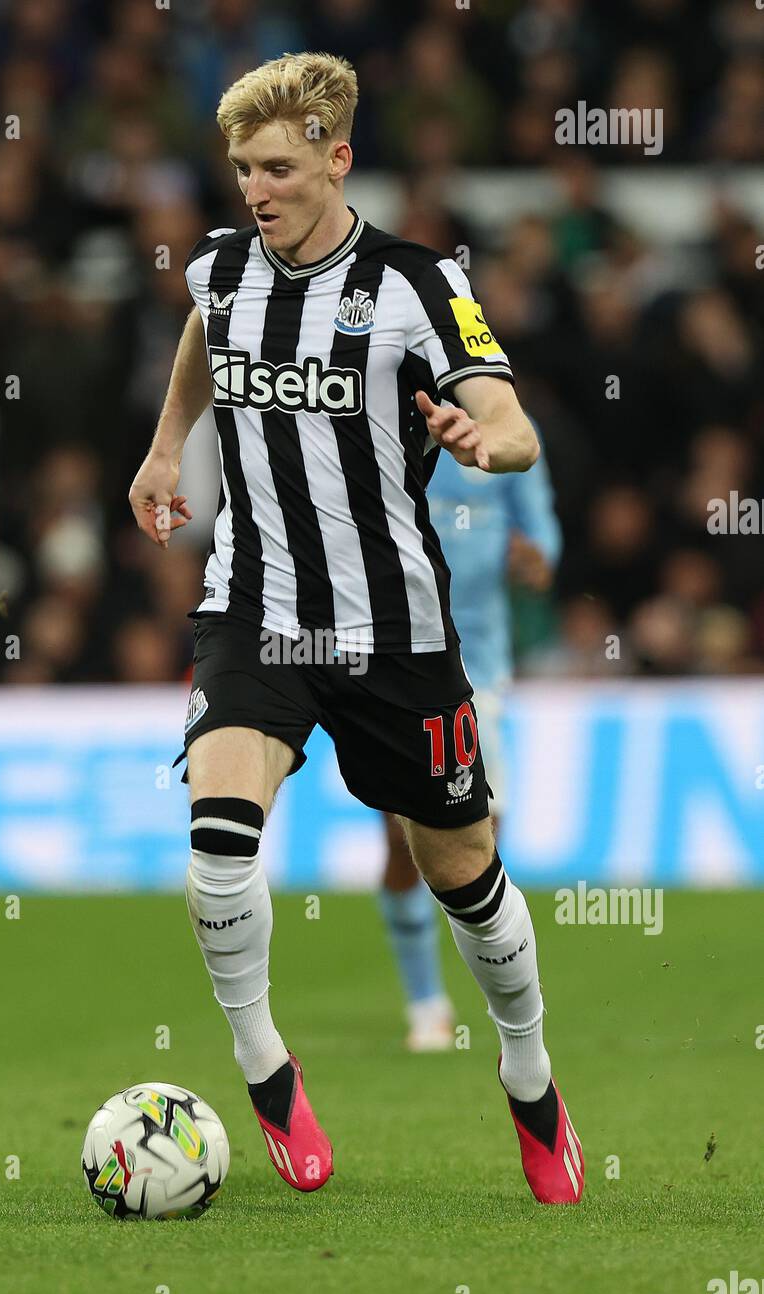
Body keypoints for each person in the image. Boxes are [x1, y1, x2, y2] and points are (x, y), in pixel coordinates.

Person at [129, 52, 584, 1204]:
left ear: (337, 158)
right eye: (241, 167)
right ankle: (265, 1070)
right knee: (218, 841)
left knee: (464, 872)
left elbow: (505, 410)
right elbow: (203, 334)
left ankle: (529, 1075)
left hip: (395, 633)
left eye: (277, 167)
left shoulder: (418, 284)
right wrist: (163, 446)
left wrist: (493, 446)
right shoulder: (223, 270)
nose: (255, 188)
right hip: (255, 608)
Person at [379, 431, 562, 1051]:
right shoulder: (385, 425)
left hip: (478, 670)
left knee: (482, 849)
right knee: (403, 845)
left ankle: (502, 1002)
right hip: (396, 664)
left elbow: (543, 532)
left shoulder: (509, 436)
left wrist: (536, 556)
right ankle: (425, 1002)